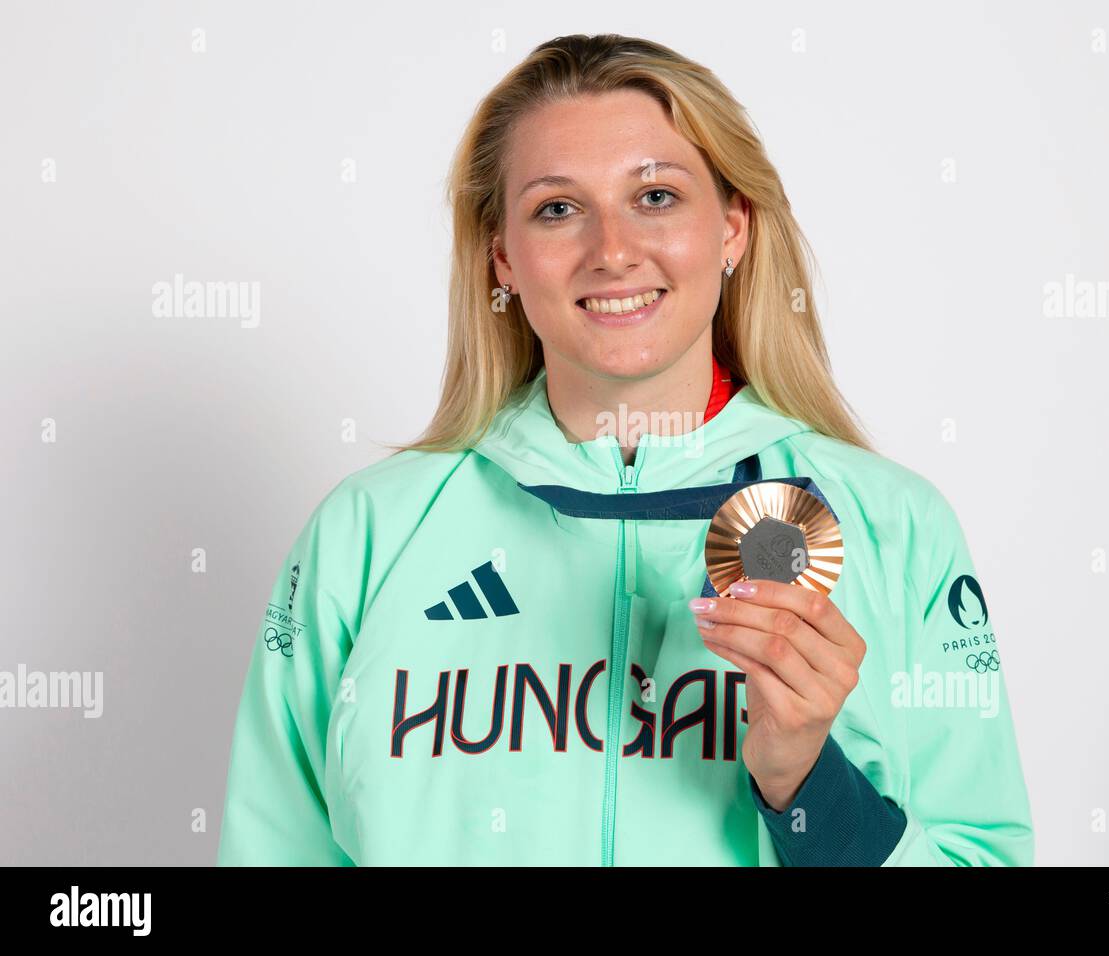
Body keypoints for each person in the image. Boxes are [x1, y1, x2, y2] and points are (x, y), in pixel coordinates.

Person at [216, 33, 1033, 866]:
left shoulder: (896, 528)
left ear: (733, 227)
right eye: (557, 209)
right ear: (503, 256)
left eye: (656, 196)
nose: (611, 251)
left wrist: (807, 788)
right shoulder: (367, 537)